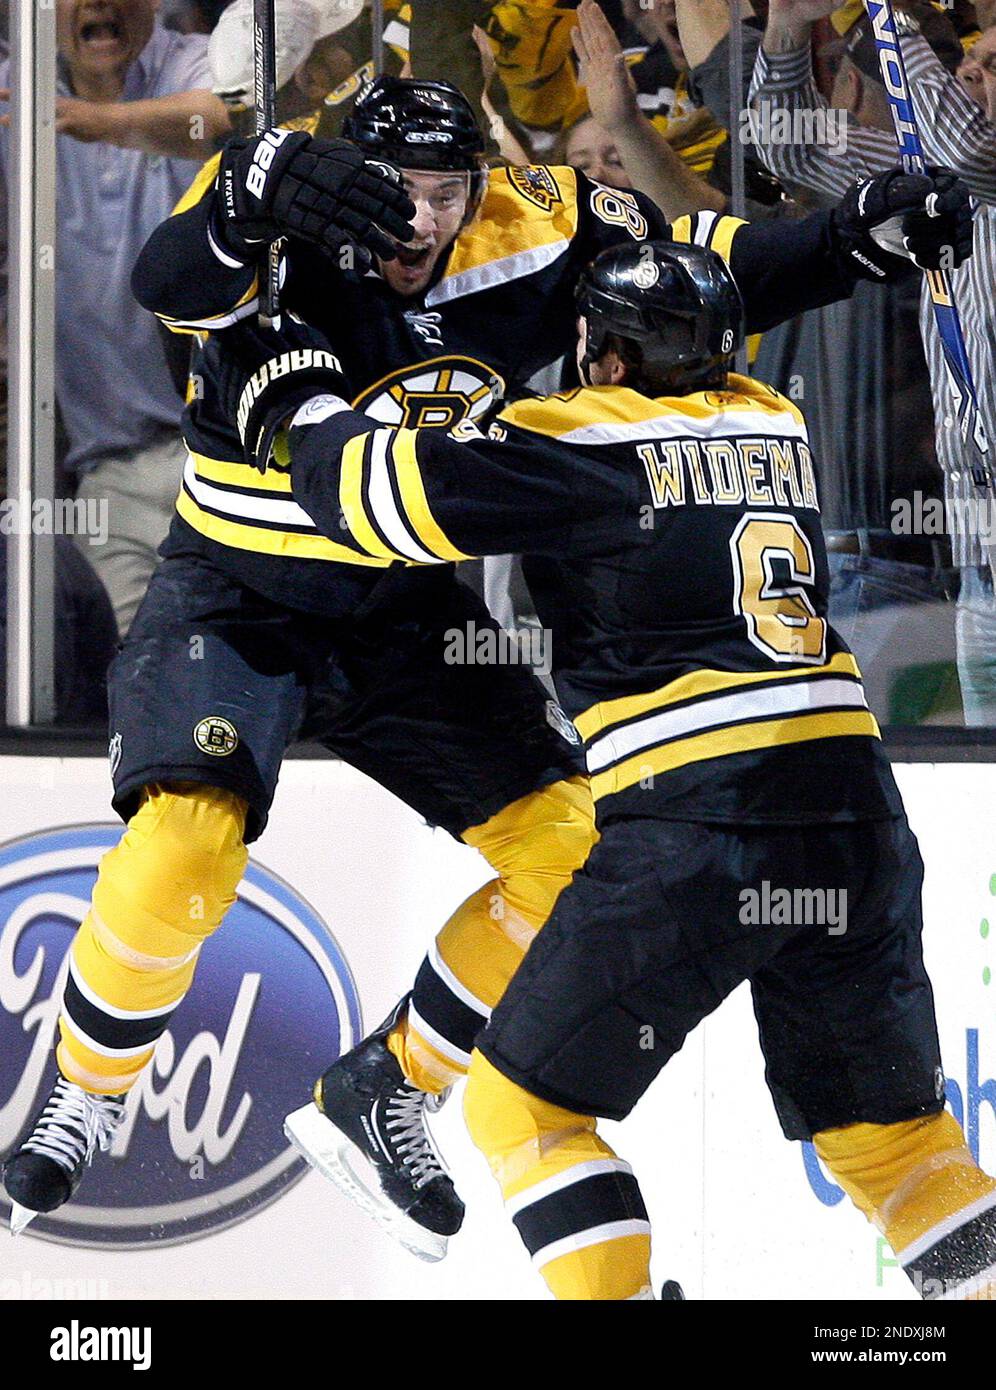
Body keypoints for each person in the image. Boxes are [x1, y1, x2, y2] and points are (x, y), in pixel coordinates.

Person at [2, 76, 970, 1260]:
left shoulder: (538, 216)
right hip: (240, 591)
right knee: (184, 845)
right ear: (345, 173)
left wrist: (850, 233)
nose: (419, 221)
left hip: (406, 601)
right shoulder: (279, 206)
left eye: (443, 192)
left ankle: (391, 1085)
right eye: (395, 194)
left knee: (570, 848)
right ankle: (87, 1085)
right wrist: (250, 201)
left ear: (477, 181)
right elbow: (170, 281)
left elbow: (708, 261)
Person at [237, 239, 996, 1301]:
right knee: (897, 1144)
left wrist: (287, 397)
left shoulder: (576, 440)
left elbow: (379, 500)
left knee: (520, 1107)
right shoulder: (774, 421)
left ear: (603, 354)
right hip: (856, 821)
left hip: (698, 827)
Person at [749, 0, 996, 724]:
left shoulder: (968, 162)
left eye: (994, 65)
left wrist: (887, 9)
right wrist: (790, 27)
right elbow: (785, 150)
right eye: (973, 59)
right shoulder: (948, 182)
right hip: (975, 546)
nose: (973, 67)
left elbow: (963, 149)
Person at [0, 0, 235, 637]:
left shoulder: (192, 62)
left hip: (220, 459)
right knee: (131, 691)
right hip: (107, 476)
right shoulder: (17, 91)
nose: (99, 4)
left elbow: (218, 120)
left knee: (238, 676)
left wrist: (92, 121)